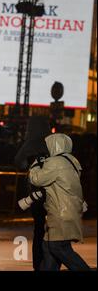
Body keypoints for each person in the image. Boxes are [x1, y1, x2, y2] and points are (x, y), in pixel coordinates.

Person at [29, 133, 90, 271]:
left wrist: (35, 165)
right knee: (48, 247)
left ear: (54, 145)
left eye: (48, 145)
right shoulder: (72, 161)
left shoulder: (56, 162)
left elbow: (37, 179)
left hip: (60, 212)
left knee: (58, 247)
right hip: (70, 210)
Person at [14, 116, 50, 271]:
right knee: (54, 231)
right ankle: (52, 261)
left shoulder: (29, 144)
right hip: (52, 192)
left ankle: (38, 263)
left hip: (35, 194)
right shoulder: (50, 143)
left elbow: (18, 161)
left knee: (39, 229)